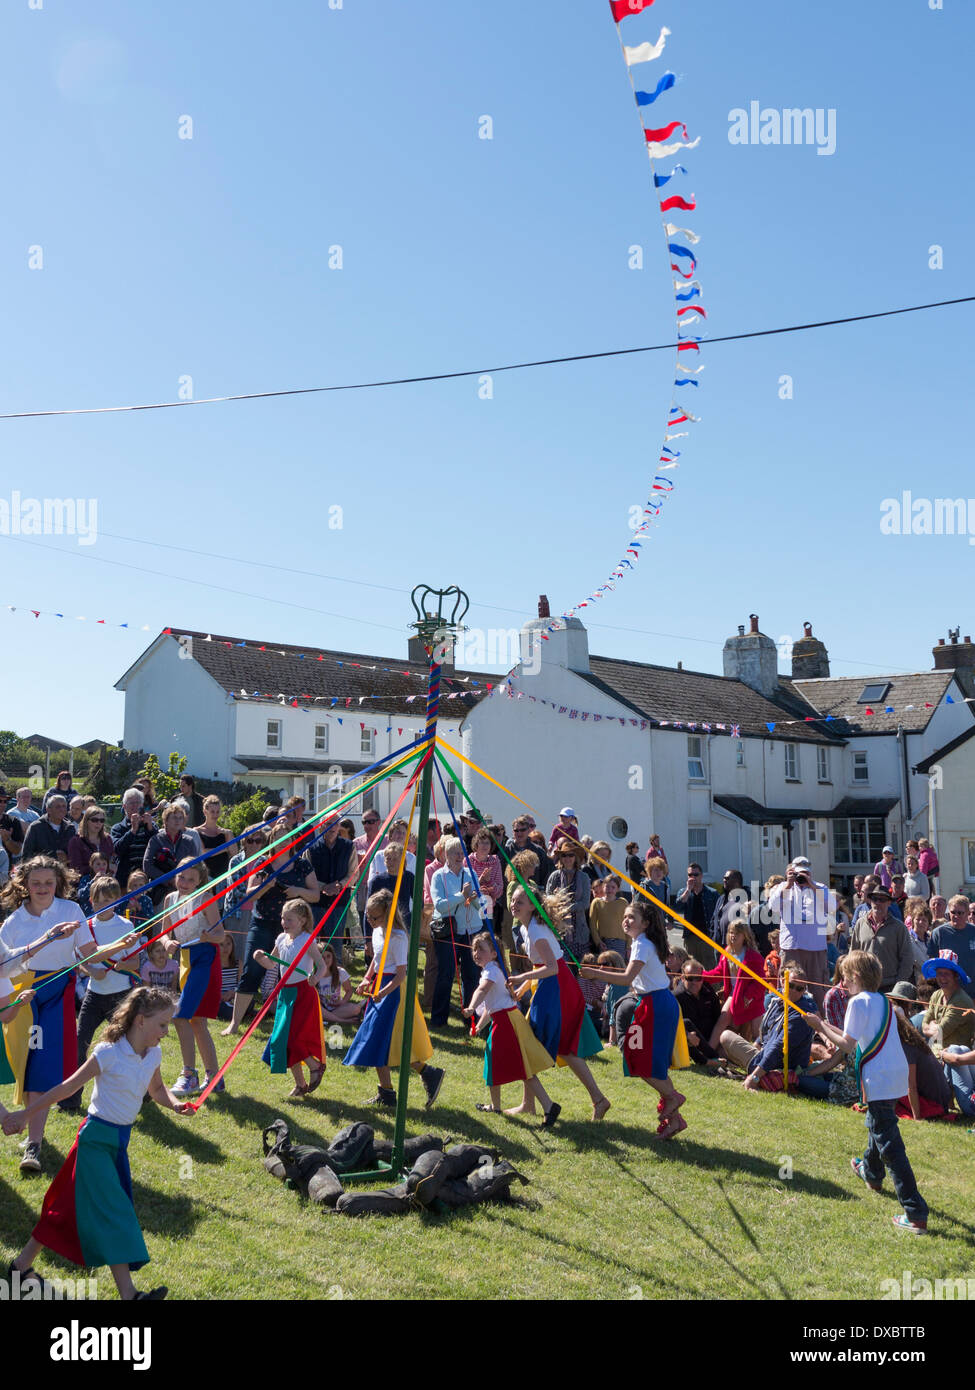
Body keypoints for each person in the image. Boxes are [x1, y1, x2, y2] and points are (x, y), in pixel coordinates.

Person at [2, 987, 192, 1300]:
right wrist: (26, 1113)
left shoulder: (154, 1054)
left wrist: (175, 1105)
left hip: (117, 1143)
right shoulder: (108, 1052)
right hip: (94, 1140)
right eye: (162, 1024)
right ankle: (130, 1295)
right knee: (115, 1212)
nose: (166, 1031)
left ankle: (20, 1266)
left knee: (63, 1208)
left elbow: (157, 1090)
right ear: (141, 1021)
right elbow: (65, 1088)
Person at [0, 857, 138, 1173]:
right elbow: (3, 966)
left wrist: (120, 944)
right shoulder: (14, 922)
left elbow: (89, 953)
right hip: (23, 994)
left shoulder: (71, 911)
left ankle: (33, 1143)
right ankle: (25, 1120)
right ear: (25, 884)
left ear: (58, 882)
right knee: (24, 1063)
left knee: (43, 1066)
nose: (43, 888)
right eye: (36, 883)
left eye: (49, 882)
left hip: (56, 993)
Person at [807, 949, 929, 1233]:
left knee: (890, 1144)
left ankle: (915, 1212)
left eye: (846, 977)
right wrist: (823, 1025)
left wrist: (820, 1024)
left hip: (880, 1076)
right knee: (878, 1121)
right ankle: (872, 1173)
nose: (843, 983)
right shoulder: (884, 1002)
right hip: (893, 1073)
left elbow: (848, 1045)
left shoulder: (858, 1002)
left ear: (856, 976)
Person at [581, 898, 685, 1136]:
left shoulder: (642, 944)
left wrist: (594, 973)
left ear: (645, 923)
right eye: (625, 916)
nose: (626, 921)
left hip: (657, 1005)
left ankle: (672, 1097)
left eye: (632, 918)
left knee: (638, 1057)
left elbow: (627, 978)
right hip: (653, 1003)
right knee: (646, 1060)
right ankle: (674, 1118)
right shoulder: (643, 942)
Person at [507, 885, 609, 1121]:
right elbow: (540, 965)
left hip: (558, 988)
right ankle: (530, 1103)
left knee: (540, 1045)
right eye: (512, 900)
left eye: (520, 901)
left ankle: (598, 1099)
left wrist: (522, 978)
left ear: (533, 905)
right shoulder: (527, 928)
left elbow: (551, 968)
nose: (514, 904)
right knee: (541, 1044)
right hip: (550, 986)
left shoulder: (536, 931)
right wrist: (523, 988)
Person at [343, 889, 444, 1109]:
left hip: (394, 992)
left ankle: (426, 1073)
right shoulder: (378, 931)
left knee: (386, 1040)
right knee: (380, 1041)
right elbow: (377, 959)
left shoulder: (398, 937)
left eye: (374, 917)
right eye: (368, 916)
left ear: (388, 914)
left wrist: (383, 992)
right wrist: (367, 979)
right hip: (381, 985)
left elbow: (400, 974)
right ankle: (390, 1091)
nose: (369, 921)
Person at [221, 820, 319, 1037]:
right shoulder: (263, 863)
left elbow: (316, 894)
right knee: (251, 970)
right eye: (278, 837)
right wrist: (265, 886)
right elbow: (248, 893)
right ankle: (235, 1024)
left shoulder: (302, 864)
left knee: (295, 973)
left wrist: (297, 890)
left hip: (294, 928)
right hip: (263, 922)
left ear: (293, 840)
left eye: (287, 836)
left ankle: (298, 1022)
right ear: (272, 841)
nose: (283, 841)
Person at [62, 876, 141, 1112]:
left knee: (129, 1046)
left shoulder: (126, 926)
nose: (104, 905)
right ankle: (70, 1100)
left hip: (121, 996)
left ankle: (142, 1092)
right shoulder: (85, 926)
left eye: (109, 900)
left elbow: (135, 962)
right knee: (78, 1044)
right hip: (93, 996)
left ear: (117, 901)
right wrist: (92, 971)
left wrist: (120, 966)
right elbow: (81, 959)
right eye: (99, 901)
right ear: (91, 901)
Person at [463, 930, 558, 1120]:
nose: (476, 953)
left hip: (506, 1023)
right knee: (496, 1062)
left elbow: (482, 991)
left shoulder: (491, 971)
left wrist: (471, 1007)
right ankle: (496, 1106)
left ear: (493, 953)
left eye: (481, 949)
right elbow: (492, 1008)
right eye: (474, 949)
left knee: (522, 1067)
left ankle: (548, 1105)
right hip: (505, 1020)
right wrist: (479, 1026)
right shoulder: (494, 970)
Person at [158, 859, 226, 1097]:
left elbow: (221, 934)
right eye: (181, 877)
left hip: (205, 958)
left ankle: (189, 1075)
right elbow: (164, 932)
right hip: (185, 959)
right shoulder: (169, 900)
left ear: (200, 881)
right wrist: (168, 942)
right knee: (196, 1021)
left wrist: (210, 936)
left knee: (181, 1016)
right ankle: (215, 1077)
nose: (185, 883)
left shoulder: (205, 898)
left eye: (191, 879)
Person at [255, 899, 326, 1098]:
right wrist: (260, 957)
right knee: (282, 1038)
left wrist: (315, 978)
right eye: (283, 918)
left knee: (292, 1037)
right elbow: (271, 964)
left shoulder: (307, 940)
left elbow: (322, 966)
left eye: (290, 919)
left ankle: (315, 1066)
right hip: (285, 993)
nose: (285, 922)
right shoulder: (280, 939)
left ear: (303, 920)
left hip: (303, 992)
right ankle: (300, 1084)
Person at [723, 963, 814, 1084]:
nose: (794, 991)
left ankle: (760, 1073)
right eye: (791, 985)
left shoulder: (800, 1014)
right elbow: (764, 1036)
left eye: (799, 988)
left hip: (781, 1067)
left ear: (804, 990)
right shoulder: (775, 1001)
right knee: (726, 1037)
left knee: (726, 1037)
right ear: (782, 981)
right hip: (765, 1055)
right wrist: (756, 1048)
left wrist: (754, 1077)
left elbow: (778, 1048)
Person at [765, 857, 835, 1008]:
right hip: (791, 947)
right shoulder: (782, 887)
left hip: (815, 948)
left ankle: (820, 1025)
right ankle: (785, 1023)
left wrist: (811, 884)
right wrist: (789, 885)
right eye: (799, 874)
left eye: (805, 873)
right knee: (788, 989)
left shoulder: (820, 887)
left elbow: (831, 907)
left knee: (818, 990)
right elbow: (773, 906)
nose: (801, 877)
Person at [429, 836, 484, 1025]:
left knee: (471, 975)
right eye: (456, 853)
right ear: (446, 855)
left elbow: (480, 906)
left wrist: (474, 898)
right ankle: (438, 1019)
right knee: (446, 974)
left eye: (462, 852)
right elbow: (440, 906)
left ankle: (471, 1019)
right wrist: (462, 896)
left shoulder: (471, 874)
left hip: (471, 931)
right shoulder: (438, 876)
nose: (460, 856)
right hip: (448, 932)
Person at [887, 988, 952, 1121]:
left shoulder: (906, 1046)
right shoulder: (912, 1040)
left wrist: (917, 1118)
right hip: (942, 1100)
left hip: (934, 1104)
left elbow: (911, 1085)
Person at [704, 919, 766, 1052]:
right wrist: (701, 976)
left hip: (753, 999)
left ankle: (763, 1059)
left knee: (758, 1033)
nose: (733, 936)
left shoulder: (753, 957)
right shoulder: (727, 952)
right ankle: (709, 1051)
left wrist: (748, 996)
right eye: (731, 932)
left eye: (737, 933)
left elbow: (760, 982)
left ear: (745, 936)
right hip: (734, 995)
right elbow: (719, 973)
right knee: (723, 1018)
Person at [848, 886, 915, 996]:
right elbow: (853, 954)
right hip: (864, 986)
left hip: (889, 988)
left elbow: (907, 959)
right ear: (870, 900)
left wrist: (898, 985)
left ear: (889, 903)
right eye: (874, 899)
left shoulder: (899, 927)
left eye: (882, 900)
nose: (877, 903)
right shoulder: (860, 923)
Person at [308, 817, 358, 955]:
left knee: (335, 947)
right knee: (313, 946)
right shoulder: (311, 847)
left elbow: (354, 874)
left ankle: (335, 975)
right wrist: (323, 887)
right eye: (329, 824)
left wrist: (339, 885)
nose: (332, 828)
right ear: (322, 826)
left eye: (336, 824)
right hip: (316, 903)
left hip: (339, 903)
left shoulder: (349, 846)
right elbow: (306, 875)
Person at [546, 839, 592, 965]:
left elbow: (585, 903)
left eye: (571, 855)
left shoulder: (584, 877)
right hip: (560, 930)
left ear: (576, 857)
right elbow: (547, 900)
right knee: (564, 968)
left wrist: (566, 906)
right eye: (564, 855)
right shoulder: (554, 876)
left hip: (579, 930)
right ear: (560, 858)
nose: (567, 858)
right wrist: (557, 903)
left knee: (581, 969)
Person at [142, 805, 200, 907]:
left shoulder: (189, 841)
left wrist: (181, 881)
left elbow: (196, 865)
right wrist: (168, 880)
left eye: (180, 818)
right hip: (161, 892)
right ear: (166, 821)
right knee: (161, 922)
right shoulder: (156, 840)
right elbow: (147, 865)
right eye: (174, 817)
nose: (177, 820)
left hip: (184, 891)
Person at [919, 953, 975, 1058]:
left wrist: (932, 1026)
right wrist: (932, 1028)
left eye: (946, 973)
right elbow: (924, 1026)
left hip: (956, 1059)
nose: (942, 978)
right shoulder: (936, 995)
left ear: (956, 976)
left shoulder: (961, 1001)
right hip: (936, 1055)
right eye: (939, 973)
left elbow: (940, 1032)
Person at [674, 958, 723, 1066]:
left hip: (712, 1039)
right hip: (692, 1041)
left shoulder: (708, 991)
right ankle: (712, 1059)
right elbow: (675, 1028)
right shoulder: (676, 997)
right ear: (682, 978)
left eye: (698, 978)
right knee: (685, 1024)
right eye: (690, 978)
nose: (694, 982)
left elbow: (718, 1018)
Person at [675, 863, 719, 970]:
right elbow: (678, 907)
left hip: (707, 936)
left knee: (710, 967)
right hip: (691, 937)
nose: (693, 877)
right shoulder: (683, 892)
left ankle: (713, 987)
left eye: (696, 875)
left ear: (702, 876)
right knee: (692, 968)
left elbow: (718, 913)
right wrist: (688, 890)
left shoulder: (712, 893)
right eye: (690, 875)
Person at [927, 895, 975, 985]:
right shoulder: (939, 933)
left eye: (960, 913)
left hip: (972, 989)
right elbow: (932, 962)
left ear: (967, 913)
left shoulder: (973, 932)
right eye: (953, 912)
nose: (956, 916)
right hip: (947, 989)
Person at [316, 942, 362, 1026]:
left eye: (328, 956)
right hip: (321, 1008)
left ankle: (327, 1018)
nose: (325, 960)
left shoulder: (340, 972)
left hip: (337, 1008)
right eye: (322, 957)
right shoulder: (314, 975)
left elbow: (349, 990)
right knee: (316, 1010)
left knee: (356, 1009)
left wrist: (343, 1002)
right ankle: (343, 1020)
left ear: (333, 957)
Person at [21, 795, 76, 865]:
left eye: (64, 806)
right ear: (48, 809)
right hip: (42, 872)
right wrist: (51, 857)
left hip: (64, 872)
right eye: (58, 807)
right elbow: (26, 856)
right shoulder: (36, 828)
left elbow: (75, 854)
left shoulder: (70, 828)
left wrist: (66, 857)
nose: (62, 809)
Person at [194, 796, 233, 886]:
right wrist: (224, 849)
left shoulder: (225, 832)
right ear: (205, 812)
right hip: (205, 878)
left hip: (223, 877)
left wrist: (229, 834)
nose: (215, 815)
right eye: (212, 812)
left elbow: (234, 853)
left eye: (217, 812)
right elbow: (203, 853)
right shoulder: (197, 831)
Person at [67, 805, 115, 878]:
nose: (98, 823)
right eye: (94, 820)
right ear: (86, 821)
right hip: (86, 884)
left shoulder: (107, 839)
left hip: (105, 883)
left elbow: (111, 861)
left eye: (102, 820)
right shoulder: (76, 841)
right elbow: (76, 869)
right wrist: (98, 869)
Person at [588, 874, 627, 958]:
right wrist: (598, 942)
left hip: (620, 942)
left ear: (618, 889)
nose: (610, 889)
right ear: (603, 887)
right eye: (607, 886)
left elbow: (628, 924)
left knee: (619, 968)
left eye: (613, 887)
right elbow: (592, 925)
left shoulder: (623, 902)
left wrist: (629, 946)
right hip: (604, 942)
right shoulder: (596, 902)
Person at [711, 870, 745, 950]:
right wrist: (713, 935)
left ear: (737, 882)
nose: (724, 880)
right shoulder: (721, 899)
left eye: (727, 878)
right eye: (724, 878)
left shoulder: (744, 899)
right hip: (718, 946)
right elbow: (714, 919)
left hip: (734, 946)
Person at [78, 851, 109, 918]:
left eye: (104, 864)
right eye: (98, 864)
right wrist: (93, 881)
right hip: (89, 915)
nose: (101, 866)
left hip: (106, 915)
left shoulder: (110, 880)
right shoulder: (86, 879)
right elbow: (81, 895)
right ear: (92, 865)